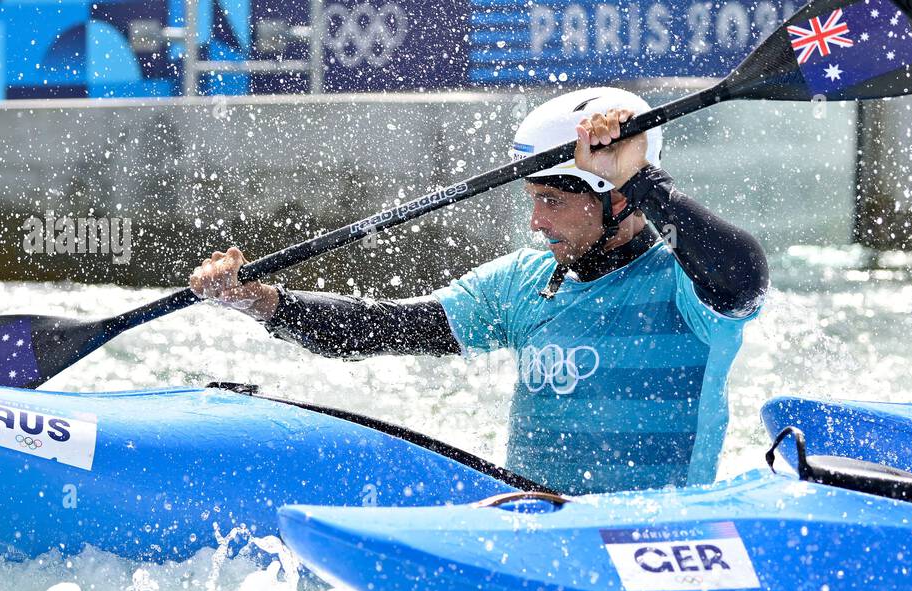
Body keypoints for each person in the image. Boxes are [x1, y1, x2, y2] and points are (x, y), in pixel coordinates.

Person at [190, 87, 768, 495]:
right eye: (534, 200)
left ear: (619, 201)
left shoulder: (684, 284)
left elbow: (742, 282)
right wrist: (265, 304)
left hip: (653, 543)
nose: (537, 222)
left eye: (555, 202)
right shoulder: (526, 280)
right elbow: (390, 328)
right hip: (537, 520)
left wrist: (640, 178)